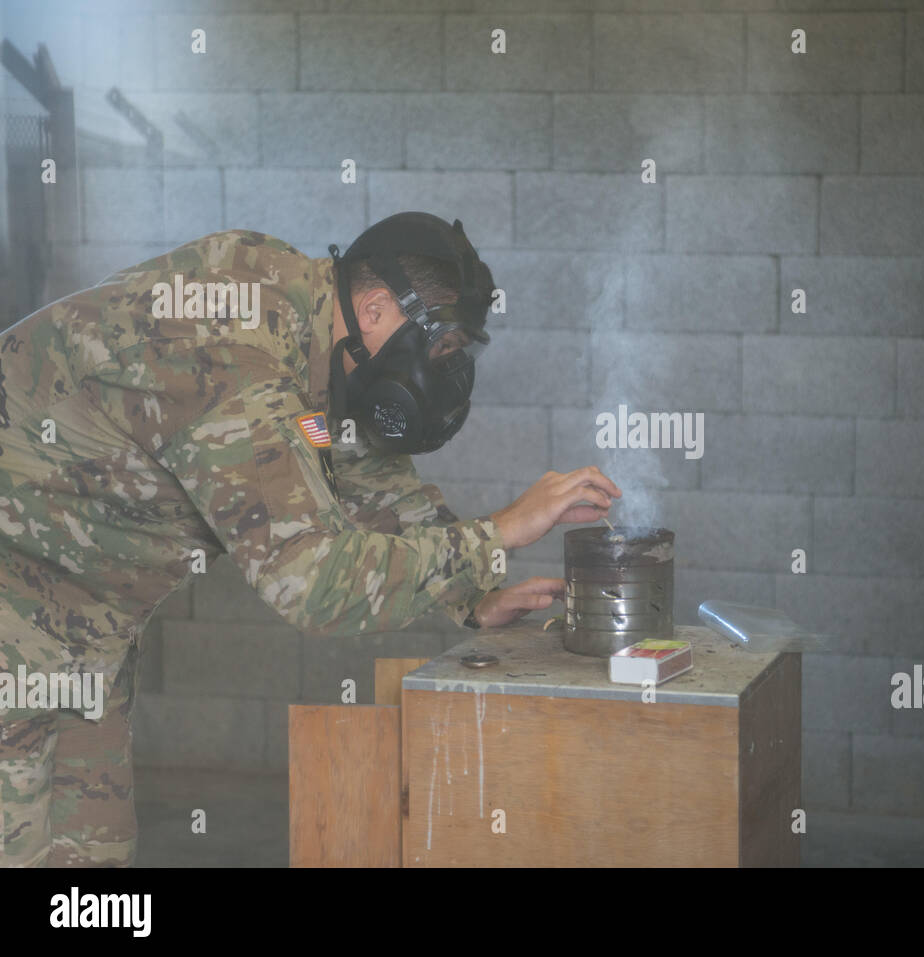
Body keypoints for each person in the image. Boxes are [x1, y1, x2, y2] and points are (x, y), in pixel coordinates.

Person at [0, 211, 620, 867]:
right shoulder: (234, 360)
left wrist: (472, 592)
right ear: (376, 309)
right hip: (17, 601)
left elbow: (368, 474)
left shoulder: (306, 325)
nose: (447, 370)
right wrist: (498, 530)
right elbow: (314, 582)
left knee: (86, 868)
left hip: (81, 619)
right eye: (443, 347)